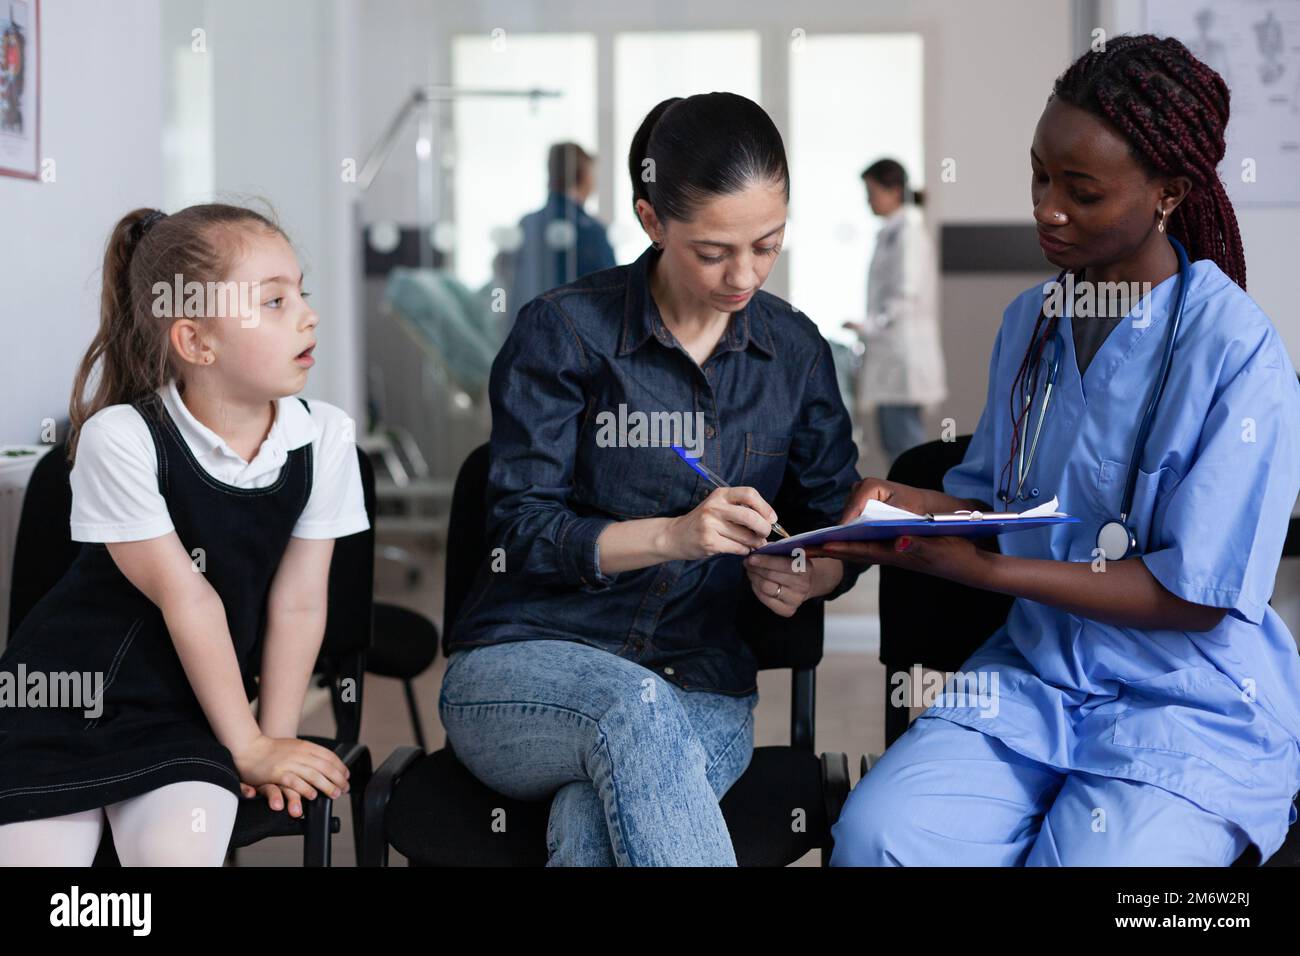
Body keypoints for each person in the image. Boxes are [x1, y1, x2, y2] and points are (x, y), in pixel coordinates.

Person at [823, 35, 1300, 866]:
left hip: (1185, 702)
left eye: (1080, 192)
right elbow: (994, 504)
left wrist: (990, 572)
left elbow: (1197, 595)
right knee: (879, 837)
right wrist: (895, 506)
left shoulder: (1238, 353)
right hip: (1036, 676)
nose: (1047, 208)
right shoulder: (1032, 323)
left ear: (1167, 194)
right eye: (1040, 176)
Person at [439, 92, 863, 866]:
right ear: (650, 219)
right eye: (713, 251)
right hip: (526, 663)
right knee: (632, 711)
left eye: (768, 244)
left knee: (591, 827)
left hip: (699, 681)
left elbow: (839, 519)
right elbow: (516, 534)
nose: (745, 275)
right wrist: (672, 536)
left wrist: (815, 574)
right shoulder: (564, 331)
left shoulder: (796, 352)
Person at [0, 204, 364, 865]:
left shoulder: (327, 436)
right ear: (196, 342)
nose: (308, 315)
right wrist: (251, 747)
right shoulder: (121, 437)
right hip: (61, 699)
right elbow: (187, 598)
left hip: (191, 712)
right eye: (275, 302)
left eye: (301, 293)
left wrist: (267, 743)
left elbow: (300, 600)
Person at [843, 159, 946, 465]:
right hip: (891, 353)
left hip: (903, 354)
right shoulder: (892, 231)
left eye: (872, 192)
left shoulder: (908, 233)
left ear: (894, 191)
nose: (868, 200)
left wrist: (871, 325)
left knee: (905, 444)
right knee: (894, 442)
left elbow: (906, 294)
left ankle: (914, 505)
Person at [508, 142, 617, 323]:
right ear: (583, 175)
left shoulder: (528, 224)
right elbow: (613, 296)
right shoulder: (590, 230)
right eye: (592, 173)